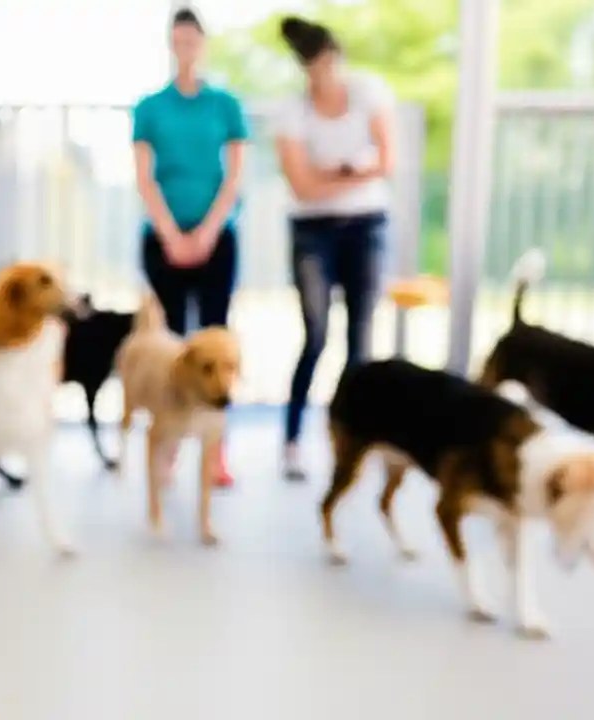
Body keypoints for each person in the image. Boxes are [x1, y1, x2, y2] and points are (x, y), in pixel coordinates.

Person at [275, 16, 396, 481]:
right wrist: (350, 173)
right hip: (312, 231)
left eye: (329, 62)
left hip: (366, 226)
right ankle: (292, 441)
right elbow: (299, 186)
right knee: (316, 335)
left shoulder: (369, 92)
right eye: (314, 66)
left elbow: (386, 161)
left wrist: (326, 175)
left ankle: (354, 438)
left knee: (360, 341)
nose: (323, 73)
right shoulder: (293, 110)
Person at [132, 7, 248, 488]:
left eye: (192, 40)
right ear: (170, 45)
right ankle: (172, 447)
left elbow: (235, 173)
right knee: (174, 347)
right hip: (164, 241)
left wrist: (206, 232)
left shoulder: (225, 105)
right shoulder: (150, 107)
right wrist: (171, 234)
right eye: (178, 40)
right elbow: (145, 176)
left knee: (218, 344)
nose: (186, 48)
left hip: (216, 238)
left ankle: (216, 454)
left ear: (202, 45)